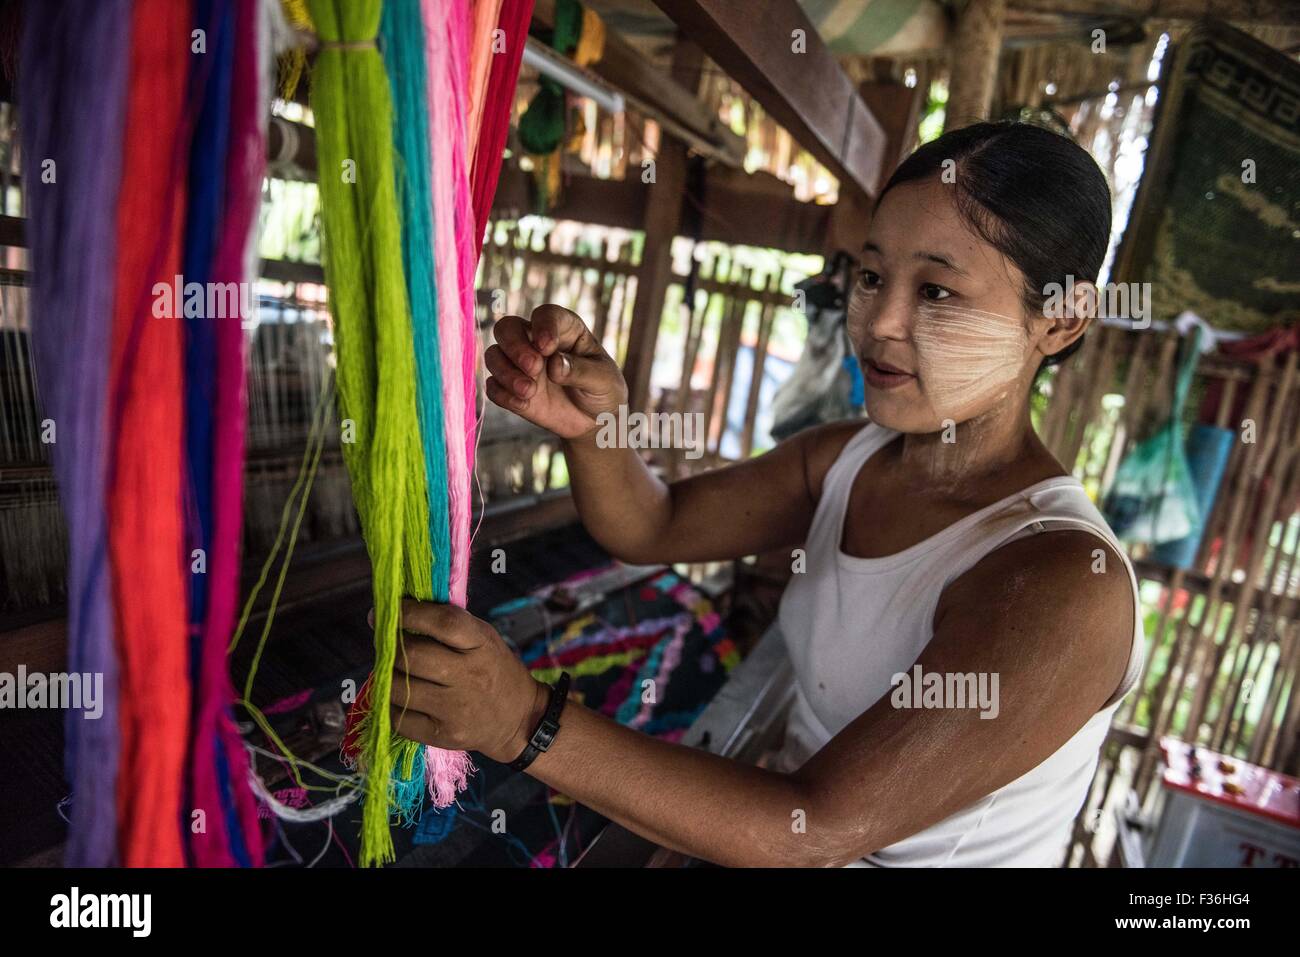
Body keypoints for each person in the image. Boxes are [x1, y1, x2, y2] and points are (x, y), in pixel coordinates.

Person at [383, 121, 1143, 867]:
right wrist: (595, 432)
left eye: (937, 290)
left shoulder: (1067, 585)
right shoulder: (848, 459)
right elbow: (654, 525)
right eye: (873, 276)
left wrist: (522, 719)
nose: (879, 321)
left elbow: (811, 831)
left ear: (1061, 319)